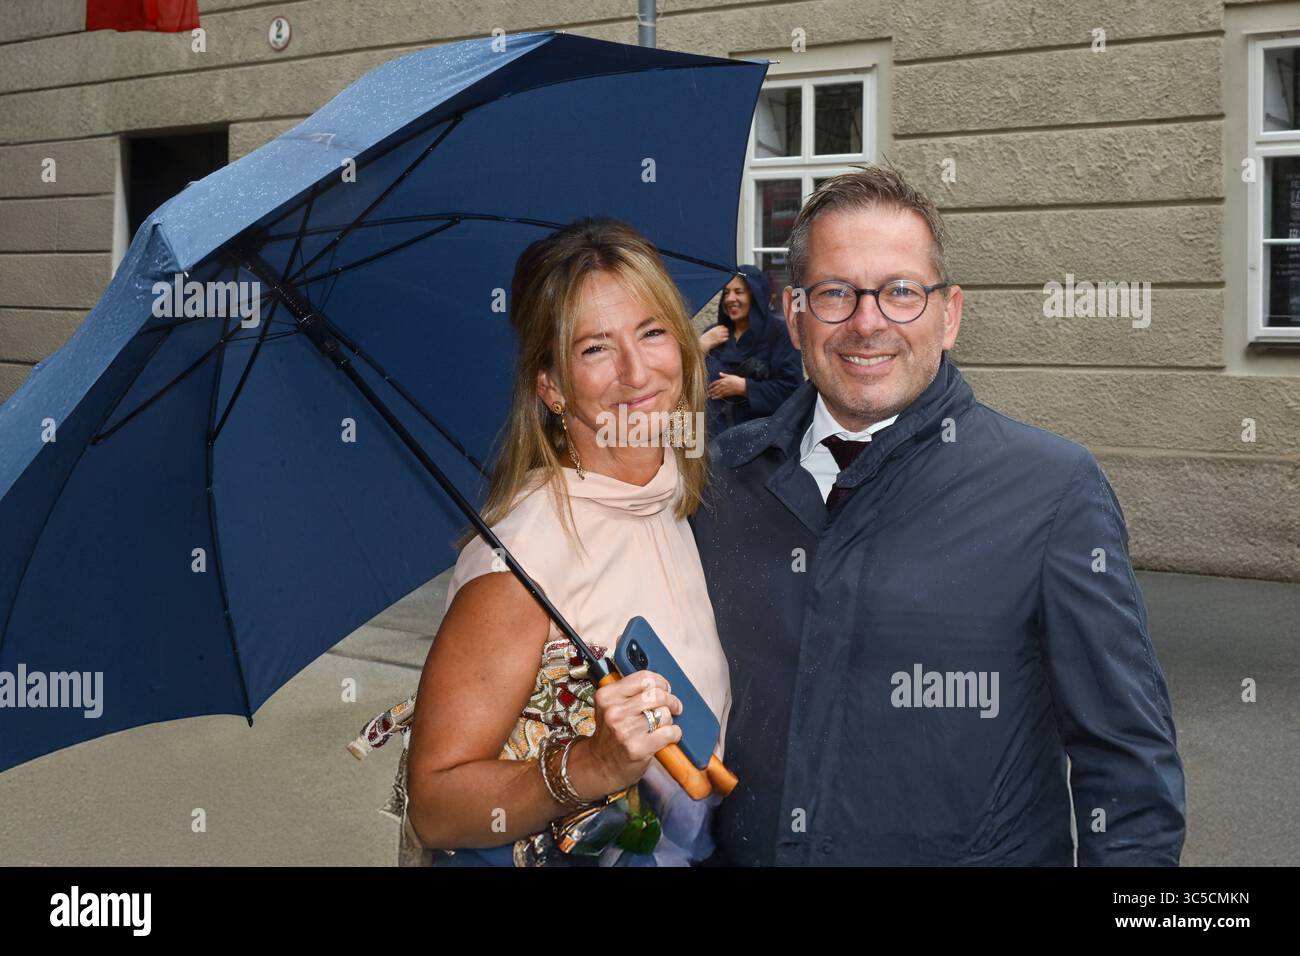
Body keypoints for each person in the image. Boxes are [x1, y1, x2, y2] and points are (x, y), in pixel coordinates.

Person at [690, 164, 1186, 866]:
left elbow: (1127, 766)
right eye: (836, 293)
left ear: (948, 315)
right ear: (796, 316)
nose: (868, 323)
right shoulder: (723, 483)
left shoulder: (1050, 492)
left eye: (900, 292)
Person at [403, 217, 731, 866]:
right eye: (595, 349)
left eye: (653, 331)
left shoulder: (672, 491)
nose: (637, 372)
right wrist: (590, 765)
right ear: (550, 386)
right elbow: (434, 806)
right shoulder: (521, 562)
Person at [699, 265, 803, 438]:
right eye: (726, 292)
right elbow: (683, 385)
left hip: (761, 444)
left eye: (739, 292)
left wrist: (744, 387)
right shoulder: (713, 335)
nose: (730, 298)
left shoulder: (779, 334)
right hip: (713, 442)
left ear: (756, 295)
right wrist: (699, 347)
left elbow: (792, 392)